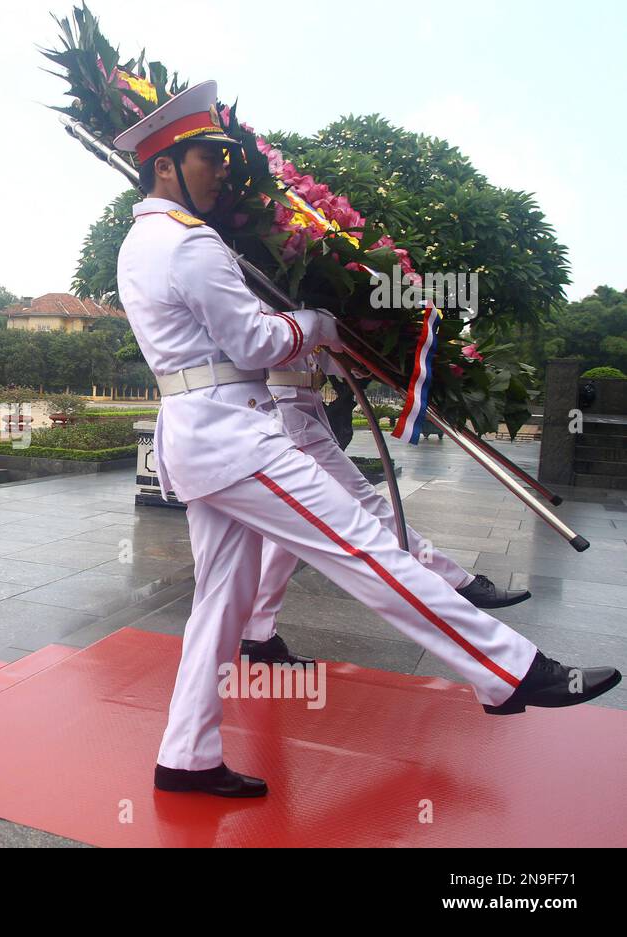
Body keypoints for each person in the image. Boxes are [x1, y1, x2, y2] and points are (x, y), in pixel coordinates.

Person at [112, 82, 621, 798]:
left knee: (219, 602)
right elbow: (256, 341)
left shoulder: (141, 243)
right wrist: (317, 323)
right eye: (207, 158)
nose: (221, 171)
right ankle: (508, 669)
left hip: (200, 437)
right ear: (165, 164)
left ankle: (185, 756)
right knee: (366, 549)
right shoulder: (191, 247)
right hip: (236, 439)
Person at [240, 352, 532, 666]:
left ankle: (257, 636)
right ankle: (456, 581)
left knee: (288, 535)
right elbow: (266, 342)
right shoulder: (271, 303)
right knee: (368, 503)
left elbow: (323, 359)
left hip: (304, 414)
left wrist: (372, 355)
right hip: (287, 421)